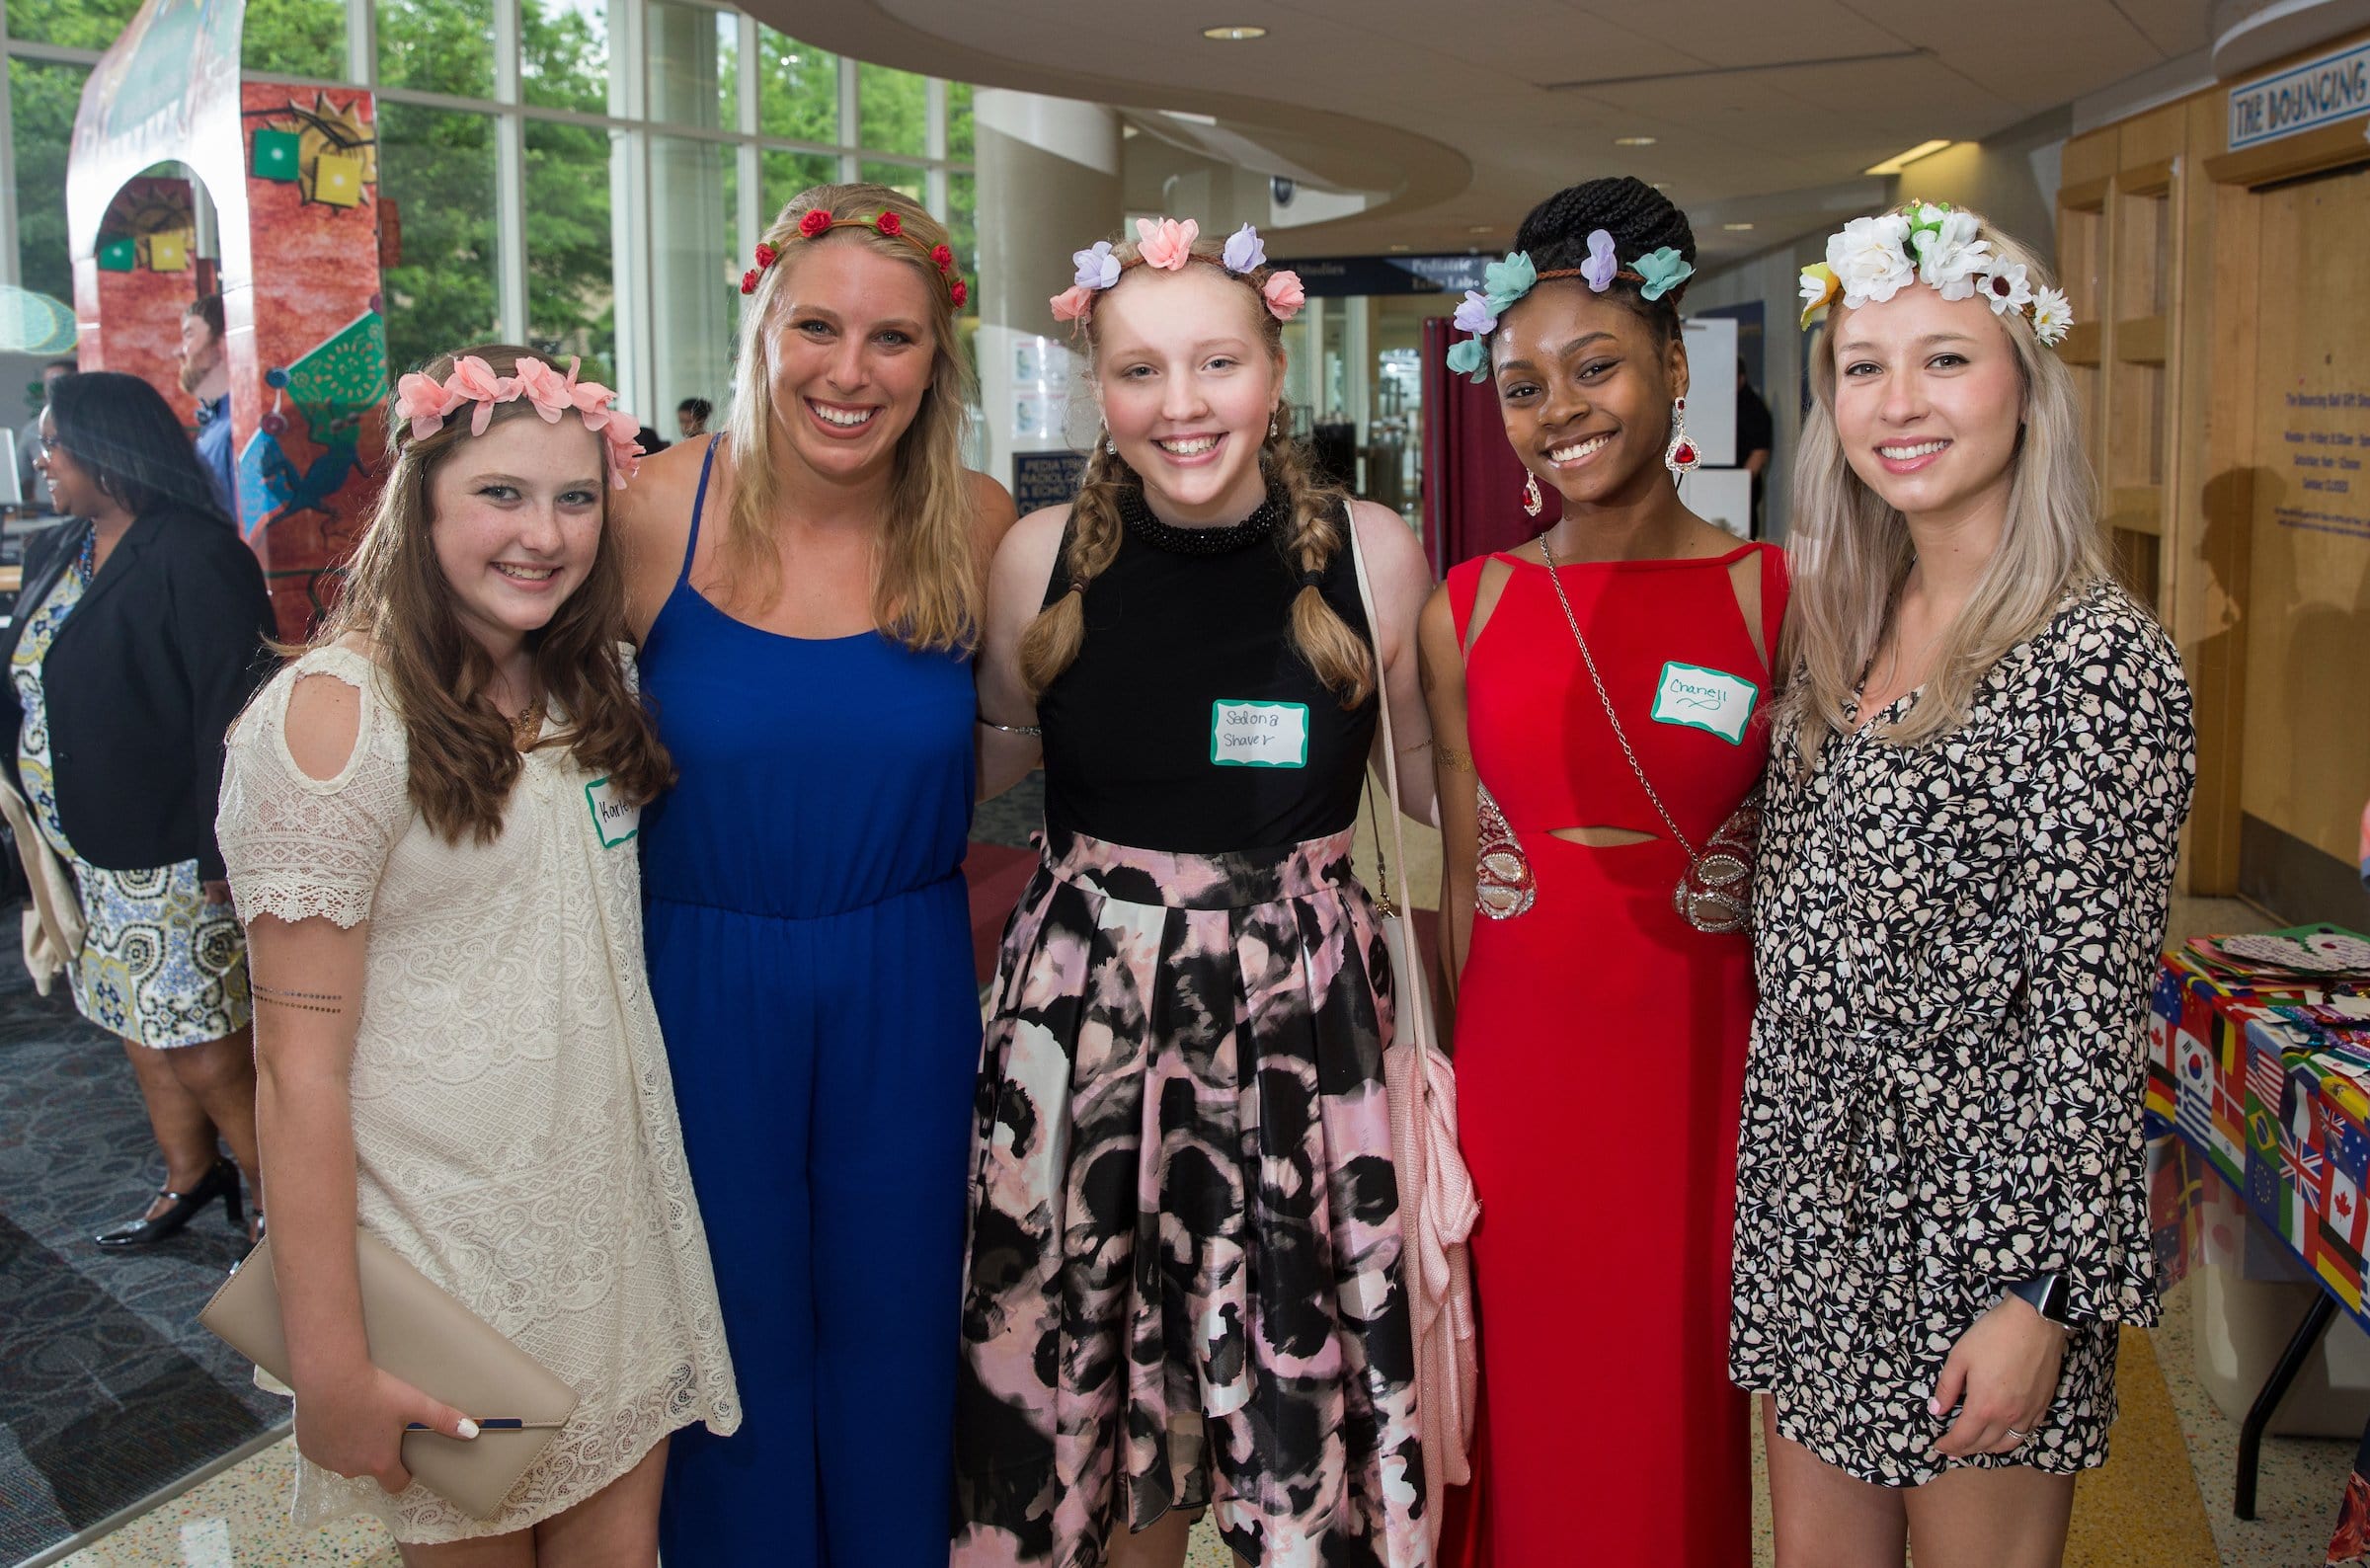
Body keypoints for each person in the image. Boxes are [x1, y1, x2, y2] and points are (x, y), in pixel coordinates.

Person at [956, 216, 1437, 1568]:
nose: (1181, 407)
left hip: (1297, 1023)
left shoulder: (1372, 554)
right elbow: (993, 747)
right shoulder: (1038, 558)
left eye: (1216, 364)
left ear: (1275, 370)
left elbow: (1434, 797)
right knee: (1087, 1382)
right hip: (1084, 1022)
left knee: (1291, 1372)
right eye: (1140, 372)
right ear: (1095, 387)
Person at [216, 345, 739, 1558]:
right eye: (500, 493)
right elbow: (297, 1072)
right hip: (446, 1256)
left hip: (611, 1241)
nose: (543, 535)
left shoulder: (589, 680)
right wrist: (331, 1363)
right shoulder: (335, 716)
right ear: (422, 500)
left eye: (574, 498)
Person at [1733, 202, 2194, 1566]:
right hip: (1821, 1209)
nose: (1898, 404)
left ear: (2024, 383)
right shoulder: (1847, 627)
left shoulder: (2096, 665)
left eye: (1945, 359)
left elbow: (2093, 1022)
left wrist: (2040, 1298)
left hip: (1982, 1232)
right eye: (1864, 366)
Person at [610, 184, 1013, 1565]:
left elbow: (1058, 729)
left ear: (937, 362)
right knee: (726, 1329)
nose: (851, 372)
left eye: (893, 340)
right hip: (698, 975)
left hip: (906, 977)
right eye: (818, 328)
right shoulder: (657, 508)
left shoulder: (976, 521)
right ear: (762, 329)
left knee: (903, 1317)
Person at [1420, 177, 1782, 1567]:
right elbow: (1462, 873)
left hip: (1698, 1063)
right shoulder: (1473, 606)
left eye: (1595, 369)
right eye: (1522, 385)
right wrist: (1451, 1094)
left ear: (1674, 368)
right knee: (1518, 1401)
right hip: (1520, 1063)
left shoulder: (1772, 595)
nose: (1558, 410)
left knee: (1674, 1406)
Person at [5, 370, 272, 1246]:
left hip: (171, 856)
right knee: (131, 1023)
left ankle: (285, 1217)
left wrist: (218, 854)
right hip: (82, 846)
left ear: (106, 450)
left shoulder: (195, 554)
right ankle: (192, 1177)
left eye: (53, 444)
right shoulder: (60, 547)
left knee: (204, 1046)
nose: (42, 460)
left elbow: (227, 716)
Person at [183, 294, 238, 524]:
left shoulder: (234, 429)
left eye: (189, 335)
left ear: (221, 343)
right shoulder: (214, 424)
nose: (181, 350)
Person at [15, 357, 73, 507]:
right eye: (48, 383)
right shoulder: (31, 430)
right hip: (47, 509)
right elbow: (22, 479)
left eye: (59, 381)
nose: (52, 388)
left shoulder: (89, 425)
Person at [1738, 355, 1774, 533]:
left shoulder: (1754, 408)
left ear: (1741, 378)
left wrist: (1737, 486)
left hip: (1741, 490)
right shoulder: (1720, 406)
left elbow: (1759, 454)